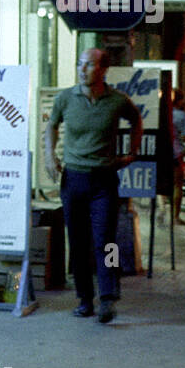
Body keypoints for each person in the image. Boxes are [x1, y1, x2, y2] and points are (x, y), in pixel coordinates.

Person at [46, 47, 143, 324]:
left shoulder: (116, 101)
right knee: (77, 243)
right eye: (80, 64)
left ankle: (108, 297)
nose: (82, 69)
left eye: (88, 65)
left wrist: (132, 152)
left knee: (105, 241)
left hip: (103, 180)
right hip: (73, 179)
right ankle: (84, 299)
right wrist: (50, 156)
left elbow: (136, 120)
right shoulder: (66, 98)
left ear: (103, 70)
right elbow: (51, 126)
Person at [170, 88, 185, 226]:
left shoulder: (164, 113)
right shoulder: (181, 116)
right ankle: (175, 217)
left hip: (163, 153)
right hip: (177, 153)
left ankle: (163, 208)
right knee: (178, 185)